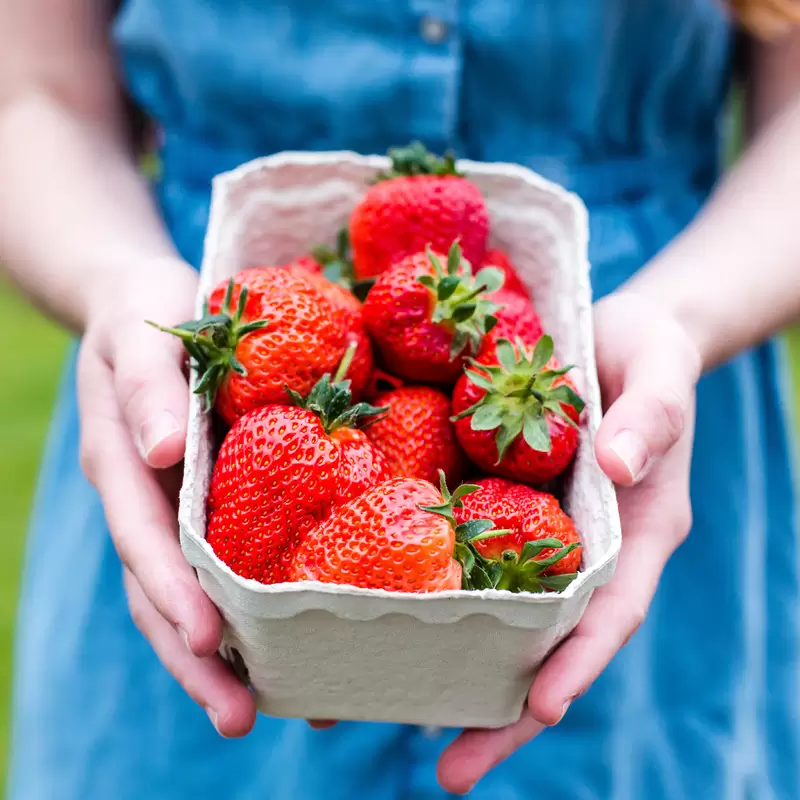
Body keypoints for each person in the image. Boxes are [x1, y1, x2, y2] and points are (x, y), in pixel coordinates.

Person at [2, 1, 800, 797]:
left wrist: (680, 317)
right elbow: (32, 97)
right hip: (185, 374)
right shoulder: (296, 348)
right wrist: (115, 282)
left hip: (636, 381)